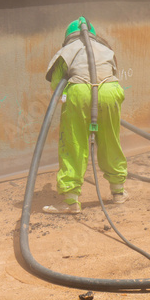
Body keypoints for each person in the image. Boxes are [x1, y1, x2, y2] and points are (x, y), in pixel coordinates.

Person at [41, 18, 128, 214]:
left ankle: (71, 201)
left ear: (68, 36)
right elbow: (113, 72)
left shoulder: (66, 51)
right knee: (110, 140)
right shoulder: (106, 49)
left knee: (74, 143)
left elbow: (57, 87)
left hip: (78, 94)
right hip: (110, 92)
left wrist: (67, 100)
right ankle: (118, 193)